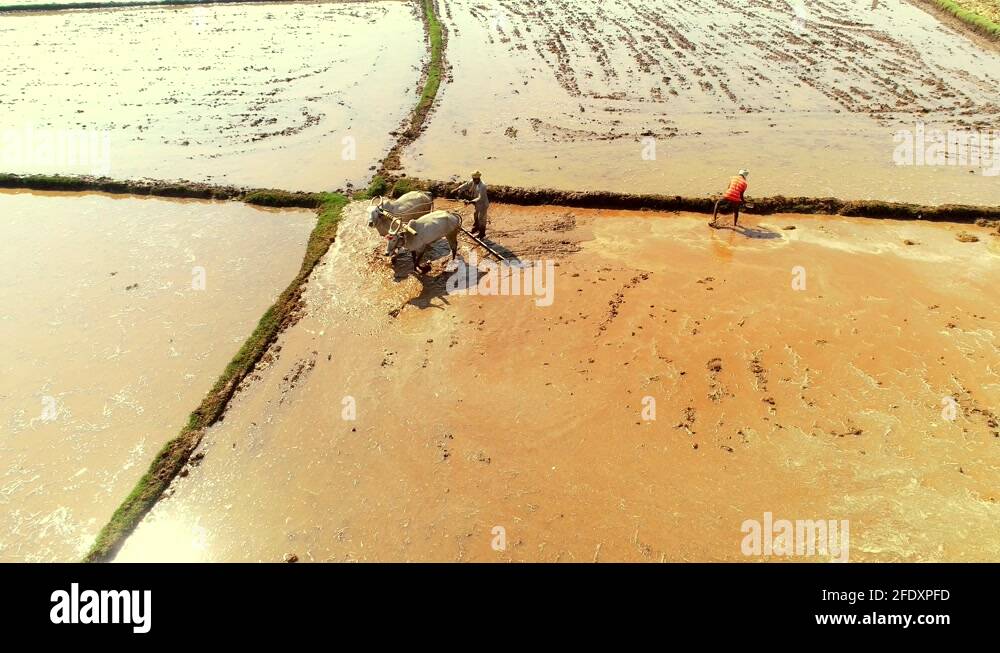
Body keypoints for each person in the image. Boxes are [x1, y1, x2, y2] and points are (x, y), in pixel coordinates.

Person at [454, 170, 489, 238]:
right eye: (473, 179)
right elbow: (466, 185)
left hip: (483, 204)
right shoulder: (473, 181)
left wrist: (470, 202)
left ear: (478, 179)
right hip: (477, 203)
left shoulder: (482, 186)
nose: (473, 180)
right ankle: (476, 228)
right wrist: (457, 189)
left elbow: (480, 198)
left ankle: (482, 233)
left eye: (475, 179)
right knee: (475, 215)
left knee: (481, 218)